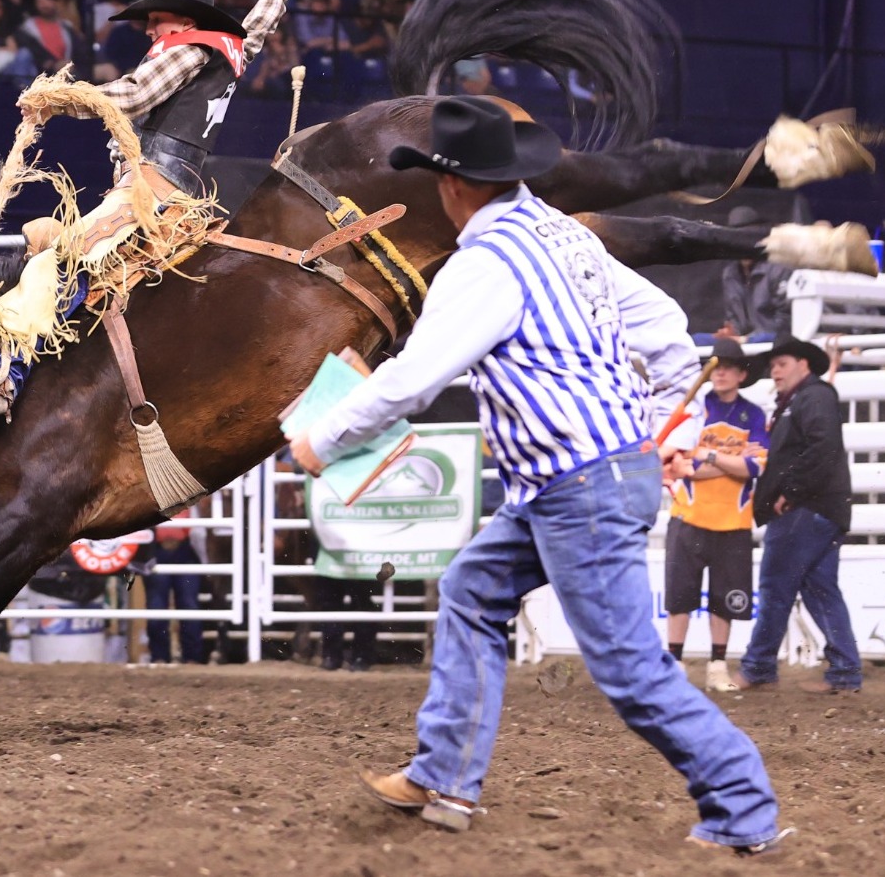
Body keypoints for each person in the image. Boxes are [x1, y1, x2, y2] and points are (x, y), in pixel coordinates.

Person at [286, 97, 780, 852]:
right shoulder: (565, 238)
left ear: (454, 186)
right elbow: (665, 332)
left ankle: (744, 805)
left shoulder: (484, 264)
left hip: (573, 484)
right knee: (473, 591)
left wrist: (325, 435)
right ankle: (445, 775)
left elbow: (416, 378)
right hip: (580, 479)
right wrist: (647, 429)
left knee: (629, 671)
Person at [0, 0, 331, 414]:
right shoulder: (221, 51)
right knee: (47, 240)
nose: (150, 29)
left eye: (157, 19)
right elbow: (254, 30)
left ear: (185, 22)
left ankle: (8, 367)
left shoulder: (188, 47)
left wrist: (60, 97)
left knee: (67, 254)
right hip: (170, 189)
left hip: (152, 190)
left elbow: (133, 96)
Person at [732, 335, 860, 695]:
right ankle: (845, 672)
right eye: (773, 365)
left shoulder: (811, 397)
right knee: (820, 589)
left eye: (781, 364)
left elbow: (822, 447)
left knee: (776, 585)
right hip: (823, 507)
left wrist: (789, 490)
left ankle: (758, 666)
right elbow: (821, 447)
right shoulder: (808, 397)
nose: (774, 371)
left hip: (805, 508)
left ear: (803, 365)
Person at [664, 337, 767, 693]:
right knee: (680, 594)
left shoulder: (753, 414)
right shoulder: (694, 409)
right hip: (689, 516)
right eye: (715, 366)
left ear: (741, 374)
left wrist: (707, 457)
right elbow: (680, 464)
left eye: (727, 367)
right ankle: (674, 663)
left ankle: (717, 665)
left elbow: (754, 467)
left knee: (724, 598)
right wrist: (728, 462)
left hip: (733, 521)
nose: (720, 373)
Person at [713, 206, 791, 343]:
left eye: (746, 238)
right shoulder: (730, 274)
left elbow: (785, 323)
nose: (741, 244)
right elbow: (733, 318)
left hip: (772, 341)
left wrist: (748, 339)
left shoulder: (778, 269)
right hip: (746, 342)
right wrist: (731, 332)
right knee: (698, 340)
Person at [142, 518, 204, 665]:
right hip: (155, 548)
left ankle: (191, 657)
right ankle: (159, 656)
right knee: (157, 605)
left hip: (186, 548)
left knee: (189, 605)